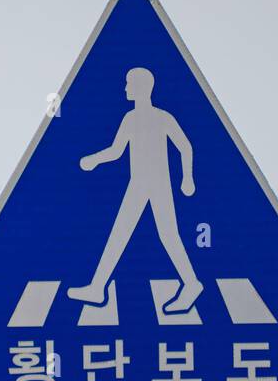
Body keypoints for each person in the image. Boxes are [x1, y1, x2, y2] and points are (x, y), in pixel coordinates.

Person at [66, 67, 203, 314]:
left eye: (129, 84)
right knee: (119, 233)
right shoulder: (130, 118)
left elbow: (185, 146)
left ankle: (192, 284)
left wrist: (187, 178)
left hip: (159, 183)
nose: (125, 88)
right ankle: (97, 288)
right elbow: (117, 151)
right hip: (138, 183)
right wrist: (94, 159)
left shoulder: (162, 117)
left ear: (142, 87)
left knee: (168, 236)